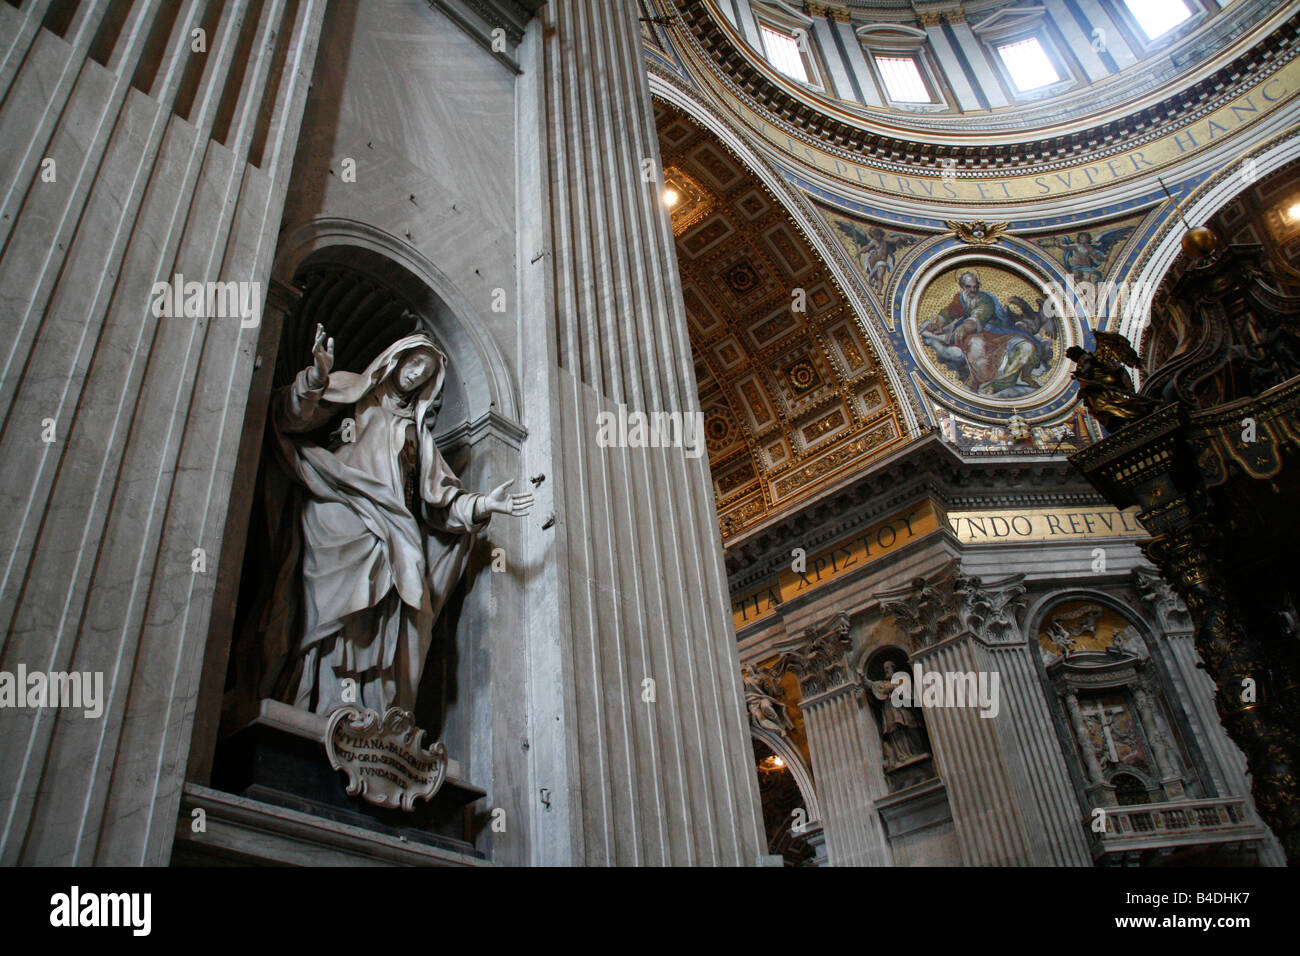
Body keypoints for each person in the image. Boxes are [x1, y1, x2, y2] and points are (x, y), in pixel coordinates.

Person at [269, 324, 532, 715]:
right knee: (326, 613)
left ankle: (361, 707)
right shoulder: (352, 392)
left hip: (390, 533)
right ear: (396, 360)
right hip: (337, 516)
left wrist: (484, 506)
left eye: (425, 373)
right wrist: (316, 376)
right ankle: (309, 697)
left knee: (378, 616)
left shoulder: (416, 432)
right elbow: (290, 418)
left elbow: (440, 499)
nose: (415, 375)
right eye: (413, 364)